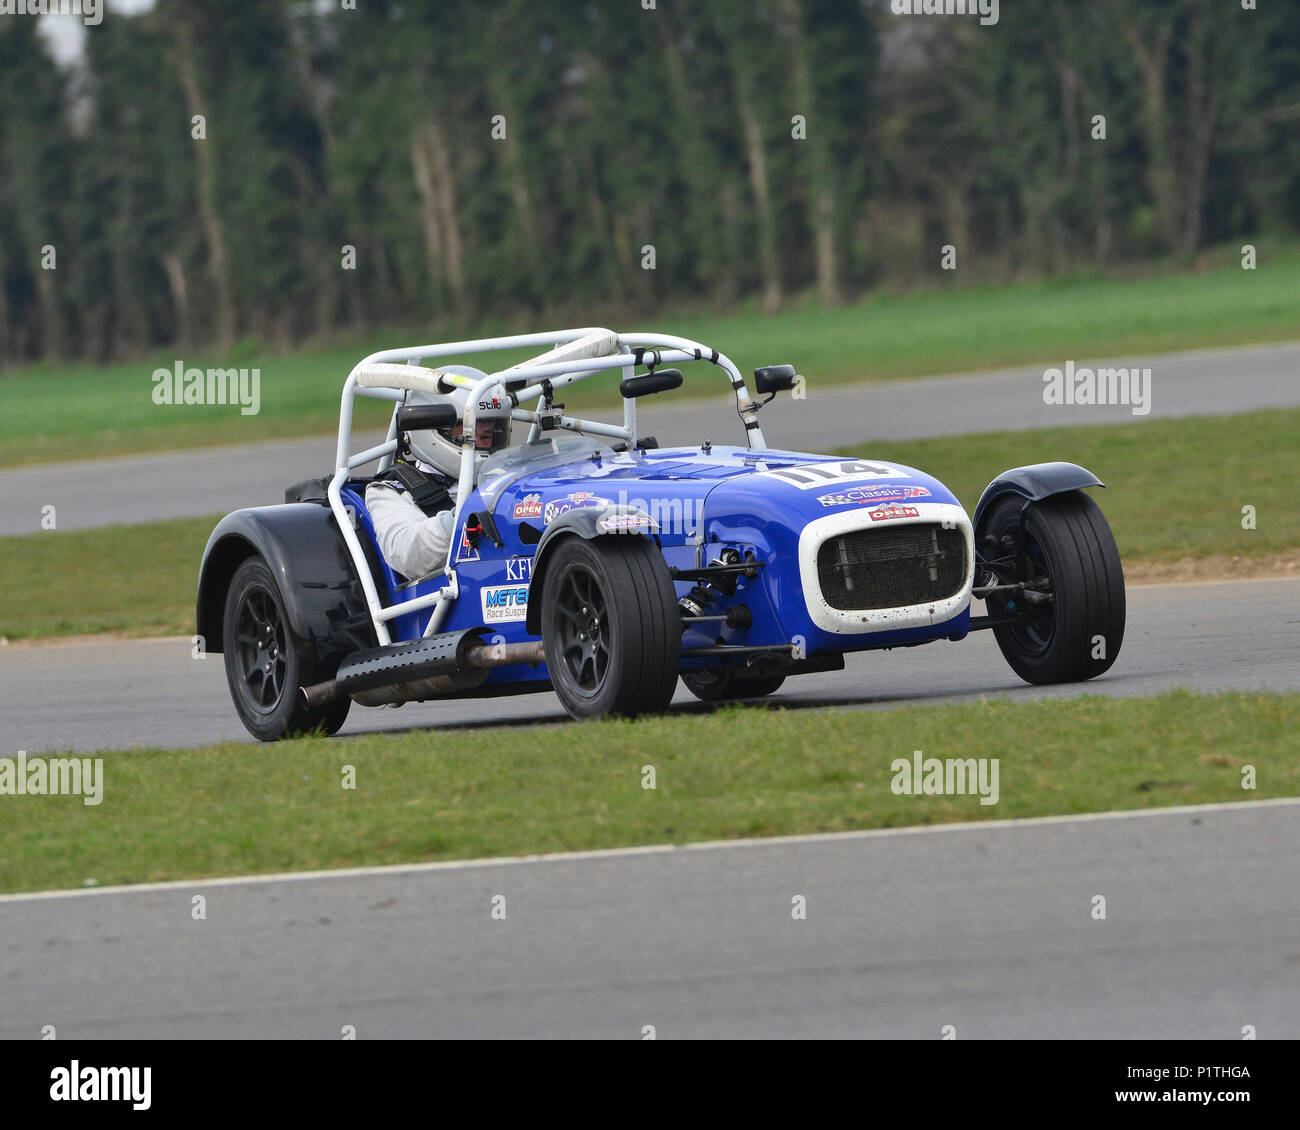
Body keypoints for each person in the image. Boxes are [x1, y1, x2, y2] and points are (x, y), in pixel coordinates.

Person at [365, 377, 513, 581]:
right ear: (433, 433)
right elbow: (408, 555)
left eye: (487, 436)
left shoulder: (504, 481)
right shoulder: (390, 491)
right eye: (468, 435)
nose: (481, 445)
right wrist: (461, 519)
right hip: (445, 601)